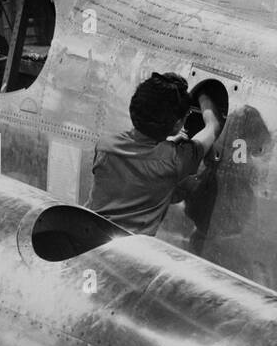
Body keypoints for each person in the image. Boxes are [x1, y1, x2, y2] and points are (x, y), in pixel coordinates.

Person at [87, 72, 225, 236]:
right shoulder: (174, 160)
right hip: (129, 250)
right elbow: (212, 126)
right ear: (177, 124)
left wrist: (169, 143)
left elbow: (139, 159)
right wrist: (204, 92)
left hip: (88, 235)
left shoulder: (105, 146)